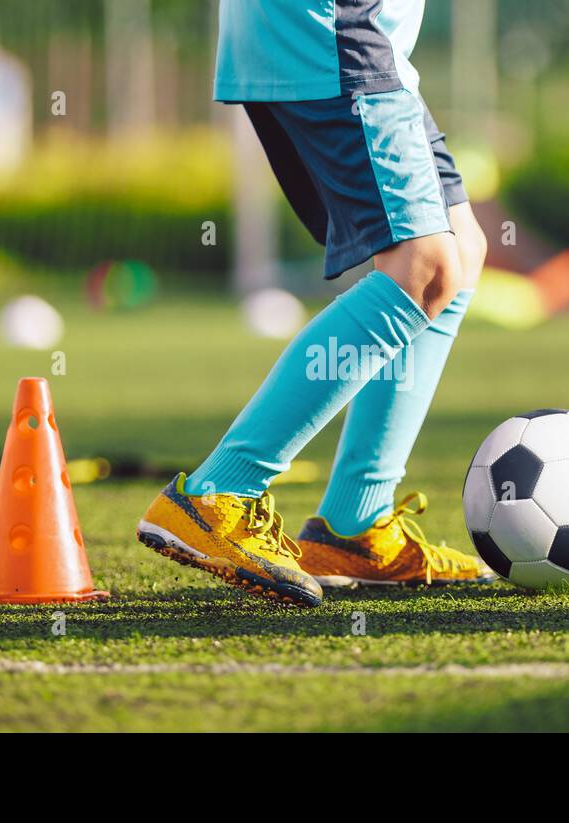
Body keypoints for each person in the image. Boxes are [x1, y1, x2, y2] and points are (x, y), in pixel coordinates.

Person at [136, 0, 494, 607]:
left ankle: (356, 525)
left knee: (460, 254)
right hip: (334, 27)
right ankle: (218, 492)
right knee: (424, 268)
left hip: (360, 40)